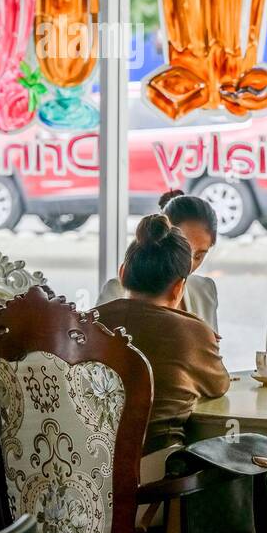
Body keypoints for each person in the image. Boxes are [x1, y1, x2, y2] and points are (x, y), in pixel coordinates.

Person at [95, 214, 232, 482]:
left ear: (123, 273)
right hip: (153, 487)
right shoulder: (193, 333)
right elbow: (219, 385)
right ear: (179, 287)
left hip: (86, 482)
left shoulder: (85, 324)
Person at [99, 189, 220, 332]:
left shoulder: (205, 291)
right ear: (162, 237)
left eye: (199, 256)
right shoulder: (117, 291)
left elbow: (214, 351)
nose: (189, 264)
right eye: (183, 251)